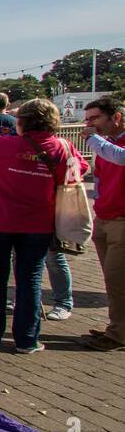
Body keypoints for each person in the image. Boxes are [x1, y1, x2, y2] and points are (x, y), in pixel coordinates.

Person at [0, 98, 85, 354]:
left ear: (22, 122)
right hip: (39, 225)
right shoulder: (62, 148)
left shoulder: (0, 145)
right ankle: (27, 340)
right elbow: (79, 170)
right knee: (30, 280)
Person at [81, 96, 125, 350]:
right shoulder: (106, 144)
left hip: (121, 220)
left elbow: (120, 158)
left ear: (115, 117)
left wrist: (92, 139)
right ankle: (116, 327)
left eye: (95, 118)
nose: (90, 125)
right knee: (113, 280)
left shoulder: (108, 146)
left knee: (118, 279)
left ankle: (118, 334)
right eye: (87, 120)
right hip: (106, 218)